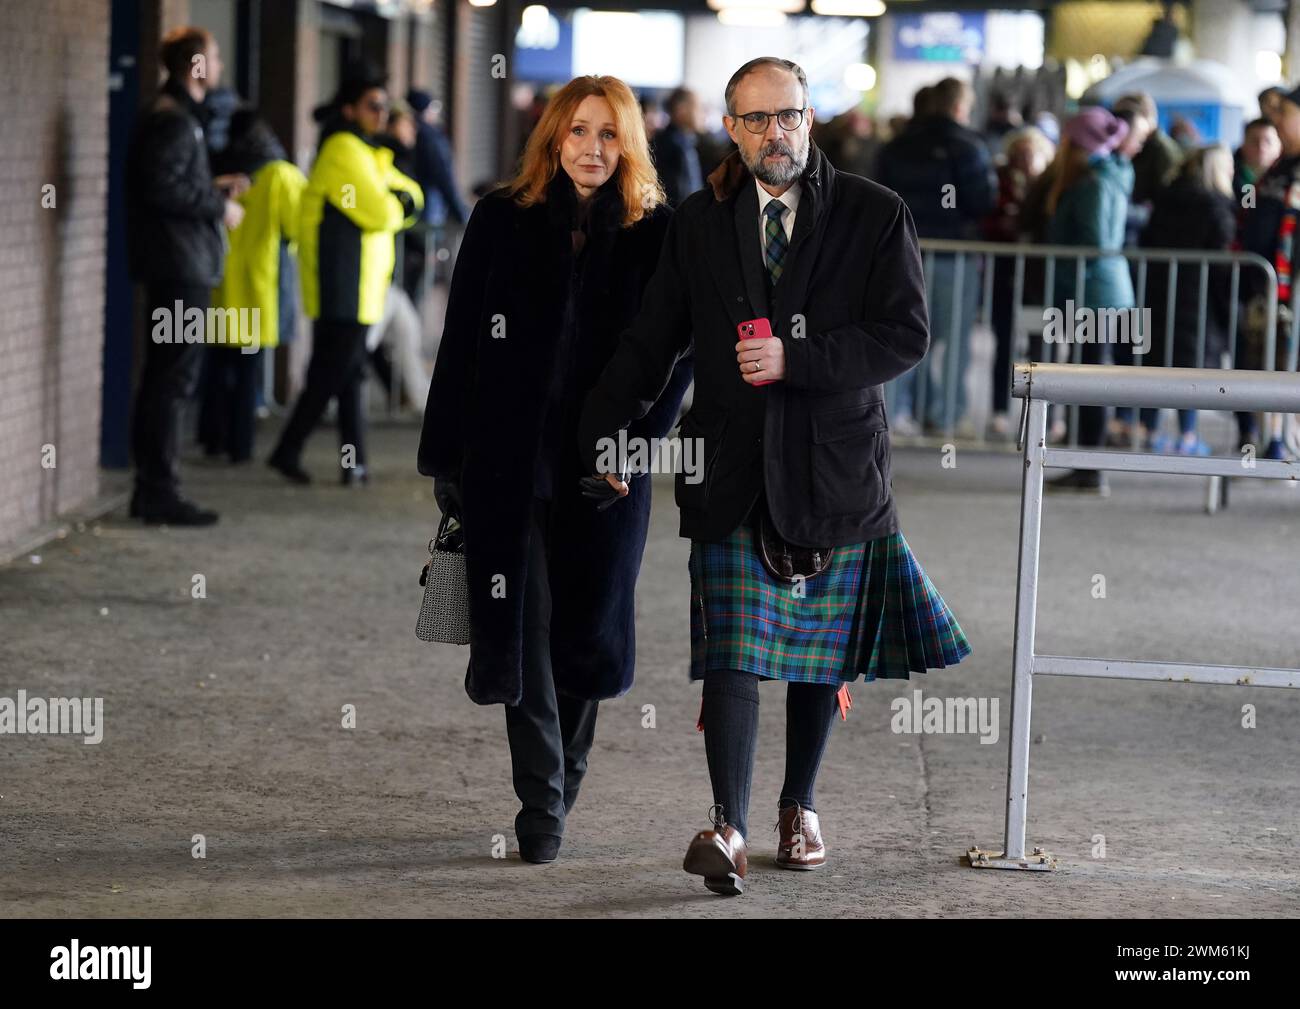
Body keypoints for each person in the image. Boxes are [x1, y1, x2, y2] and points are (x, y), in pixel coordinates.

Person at [577, 57, 971, 897]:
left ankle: (800, 806)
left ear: (810, 117)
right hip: (730, 466)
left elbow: (905, 334)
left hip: (835, 467)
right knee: (732, 650)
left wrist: (798, 358)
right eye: (755, 120)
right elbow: (653, 341)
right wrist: (608, 433)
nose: (775, 133)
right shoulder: (701, 220)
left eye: (787, 115)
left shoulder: (874, 212)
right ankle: (729, 824)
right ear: (731, 129)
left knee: (816, 657)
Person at [418, 75, 692, 865]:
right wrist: (447, 456)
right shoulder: (501, 218)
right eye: (578, 131)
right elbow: (460, 342)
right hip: (507, 461)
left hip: (606, 467)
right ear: (553, 137)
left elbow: (679, 360)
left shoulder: (658, 232)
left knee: (586, 628)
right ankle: (541, 801)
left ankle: (564, 777)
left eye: (608, 134)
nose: (591, 149)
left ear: (629, 143)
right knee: (523, 626)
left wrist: (633, 447)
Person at [267, 75, 423, 486]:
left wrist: (398, 203)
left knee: (348, 372)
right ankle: (294, 450)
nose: (382, 114)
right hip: (341, 285)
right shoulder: (342, 150)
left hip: (359, 286)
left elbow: (412, 195)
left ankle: (351, 464)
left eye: (385, 106)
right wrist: (396, 207)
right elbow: (379, 211)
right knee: (334, 370)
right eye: (373, 105)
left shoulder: (369, 152)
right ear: (349, 109)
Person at [125, 26, 247, 526]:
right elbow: (161, 189)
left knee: (168, 376)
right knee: (172, 379)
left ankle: (154, 488)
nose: (219, 65)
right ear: (196, 66)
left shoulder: (173, 116)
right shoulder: (174, 120)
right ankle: (158, 491)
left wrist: (211, 185)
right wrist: (219, 206)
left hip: (179, 264)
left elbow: (170, 182)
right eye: (213, 57)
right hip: (180, 268)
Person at [878, 77, 996, 436]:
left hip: (903, 252)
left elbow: (878, 195)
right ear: (960, 106)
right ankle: (947, 415)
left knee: (903, 330)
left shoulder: (897, 146)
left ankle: (896, 410)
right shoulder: (969, 146)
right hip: (953, 253)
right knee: (955, 338)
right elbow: (982, 201)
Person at [200, 111, 305, 464]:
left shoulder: (217, 168)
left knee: (217, 364)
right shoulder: (280, 175)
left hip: (219, 283)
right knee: (247, 370)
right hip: (259, 286)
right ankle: (240, 446)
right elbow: (297, 225)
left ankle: (212, 439)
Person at [1042, 106, 1133, 495]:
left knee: (1090, 380)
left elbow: (1097, 241)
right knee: (1087, 377)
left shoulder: (1094, 183)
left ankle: (1090, 467)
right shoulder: (1103, 177)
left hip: (1093, 293)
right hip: (1093, 291)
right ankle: (1084, 464)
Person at [1138, 145, 1238, 454]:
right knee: (1189, 368)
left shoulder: (1166, 197)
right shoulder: (1216, 205)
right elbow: (1222, 253)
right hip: (1199, 297)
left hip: (1160, 290)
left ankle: (1150, 430)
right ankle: (1188, 435)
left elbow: (1148, 239)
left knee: (1157, 363)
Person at [1235, 83, 1300, 459]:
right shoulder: (1278, 169)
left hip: (1290, 292)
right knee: (1265, 367)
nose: (1278, 123)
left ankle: (1284, 441)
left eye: (1286, 115)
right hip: (1267, 290)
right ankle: (1273, 439)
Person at [982, 126, 1054, 437]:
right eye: (1019, 154)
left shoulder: (1051, 184)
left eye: (1030, 153)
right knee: (1004, 342)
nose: (1024, 160)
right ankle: (999, 410)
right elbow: (987, 218)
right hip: (1006, 272)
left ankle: (1045, 415)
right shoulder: (998, 181)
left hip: (1039, 277)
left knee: (1042, 346)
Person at [653, 86, 704, 207]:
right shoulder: (668, 145)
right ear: (681, 110)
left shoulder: (687, 142)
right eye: (697, 108)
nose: (702, 114)